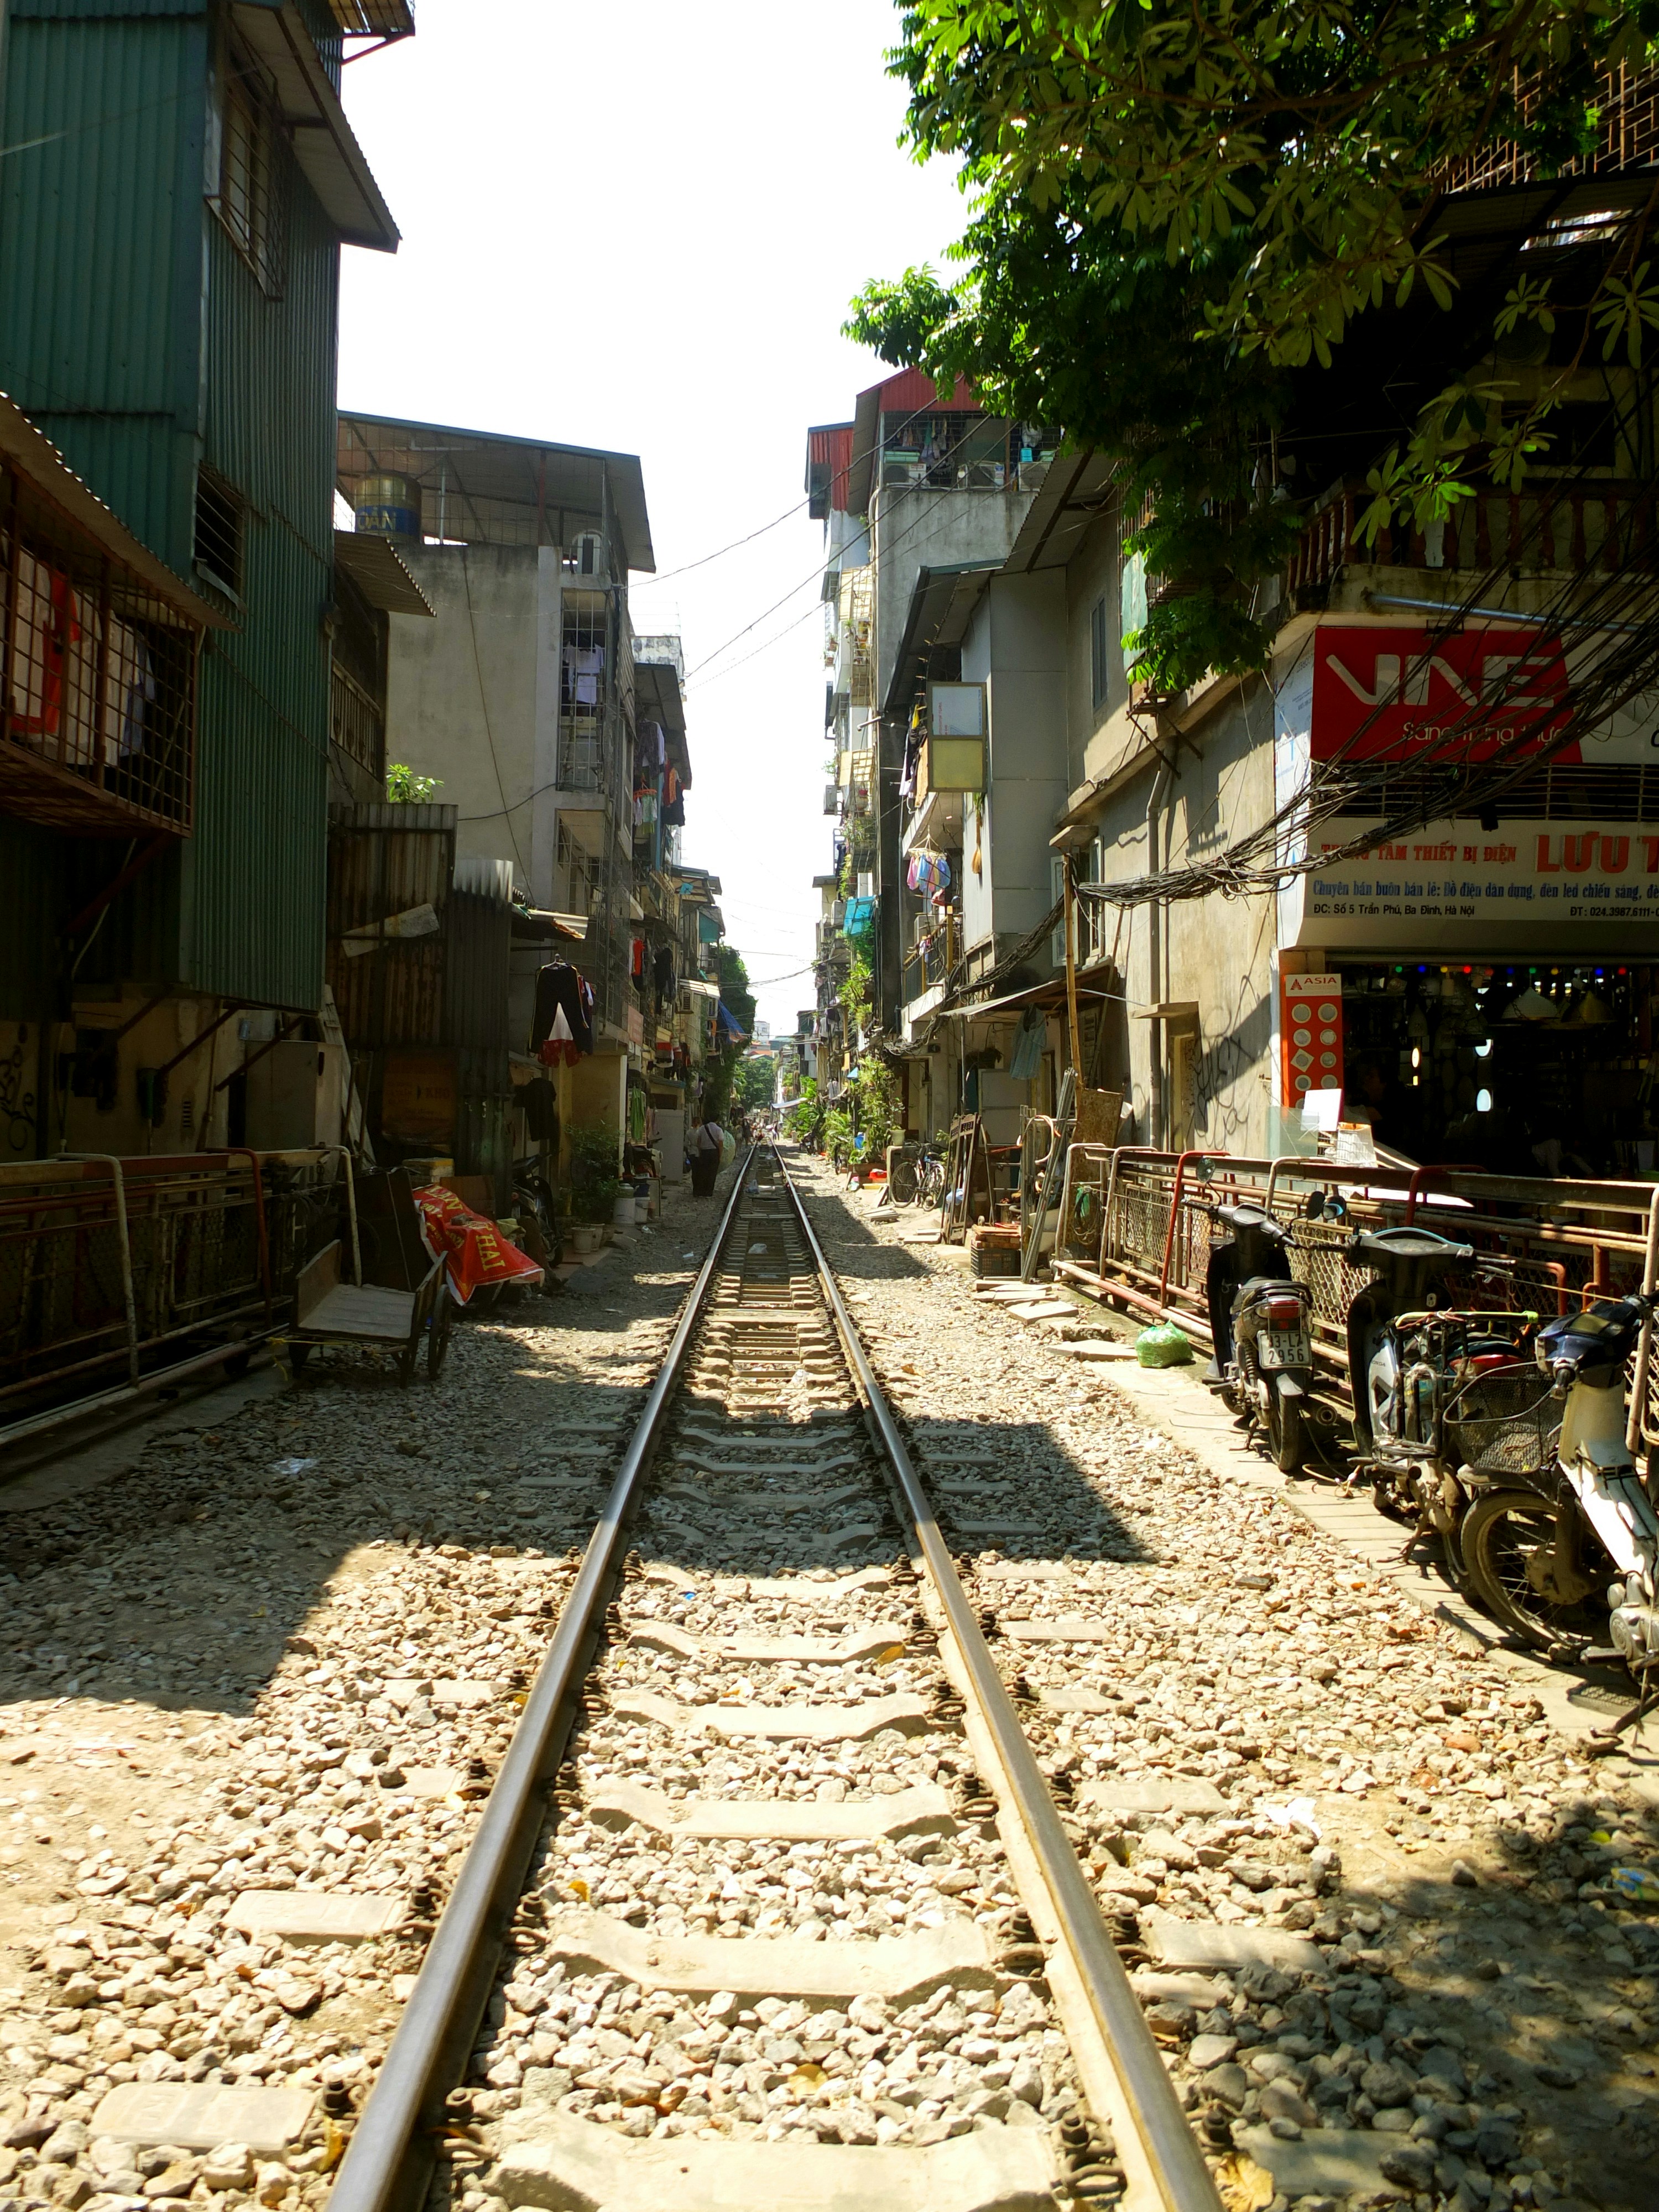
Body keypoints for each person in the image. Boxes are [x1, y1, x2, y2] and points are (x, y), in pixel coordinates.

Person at [689, 1112, 724, 1196]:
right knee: (712, 1173)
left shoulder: (702, 1129)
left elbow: (698, 1142)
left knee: (703, 1172)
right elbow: (721, 1144)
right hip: (714, 1153)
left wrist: (701, 1151)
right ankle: (709, 1192)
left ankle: (702, 1190)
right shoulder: (719, 1130)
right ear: (717, 1120)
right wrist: (720, 1156)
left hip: (704, 1153)